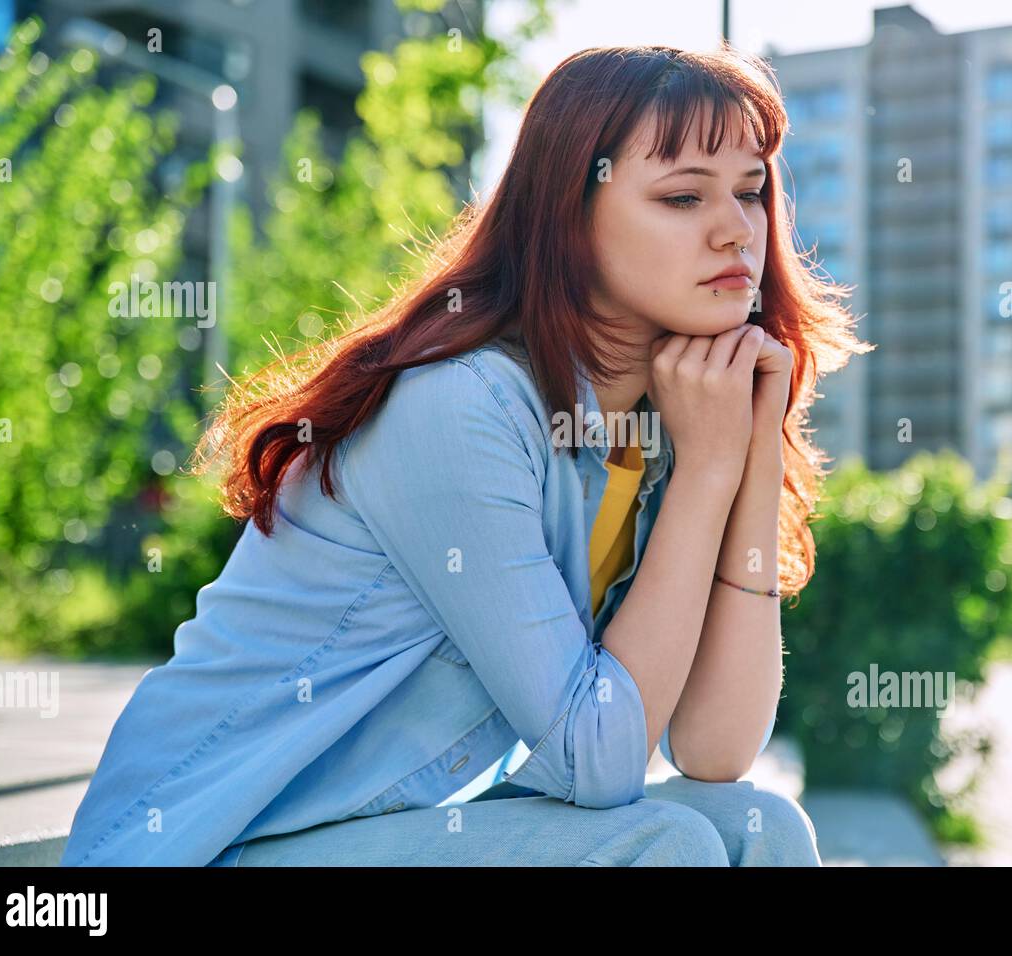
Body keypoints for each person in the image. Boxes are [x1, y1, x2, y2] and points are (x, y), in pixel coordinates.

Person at [59, 42, 869, 868]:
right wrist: (705, 472)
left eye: (751, 191)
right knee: (661, 845)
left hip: (380, 836)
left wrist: (748, 446)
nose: (737, 230)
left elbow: (715, 748)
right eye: (683, 196)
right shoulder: (461, 407)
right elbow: (599, 761)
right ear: (569, 217)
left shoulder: (657, 427)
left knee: (762, 828)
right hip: (208, 843)